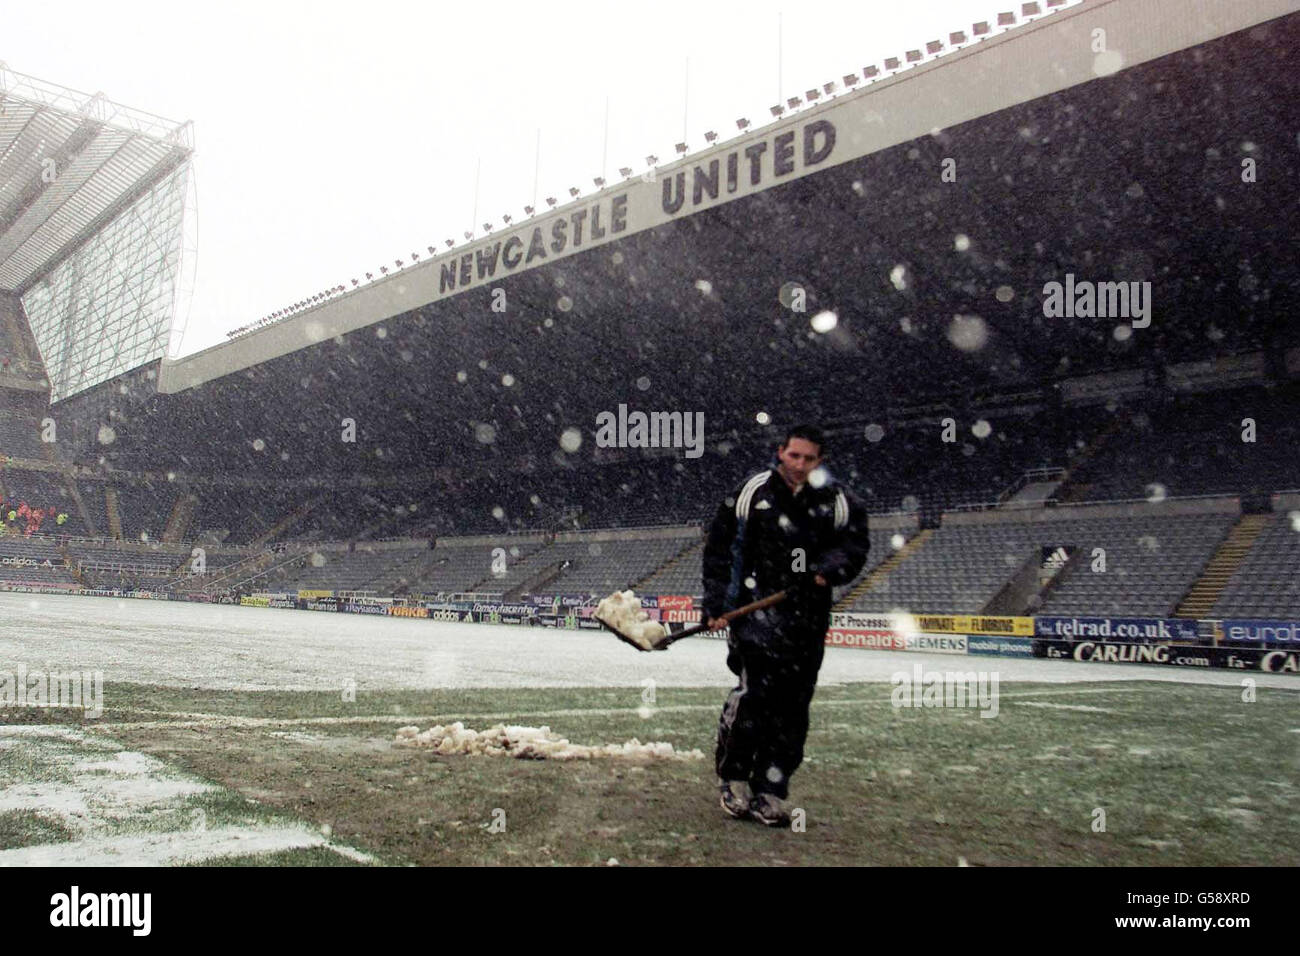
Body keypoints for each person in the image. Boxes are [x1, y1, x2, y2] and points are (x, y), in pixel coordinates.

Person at [702, 424, 871, 827]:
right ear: (780, 452)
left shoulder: (838, 500)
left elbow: (854, 546)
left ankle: (771, 789)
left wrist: (824, 570)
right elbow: (720, 551)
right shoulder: (752, 492)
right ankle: (735, 779)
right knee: (754, 695)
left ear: (819, 460)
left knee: (793, 707)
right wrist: (717, 604)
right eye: (793, 455)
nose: (798, 464)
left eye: (808, 458)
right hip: (753, 613)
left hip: (807, 619)